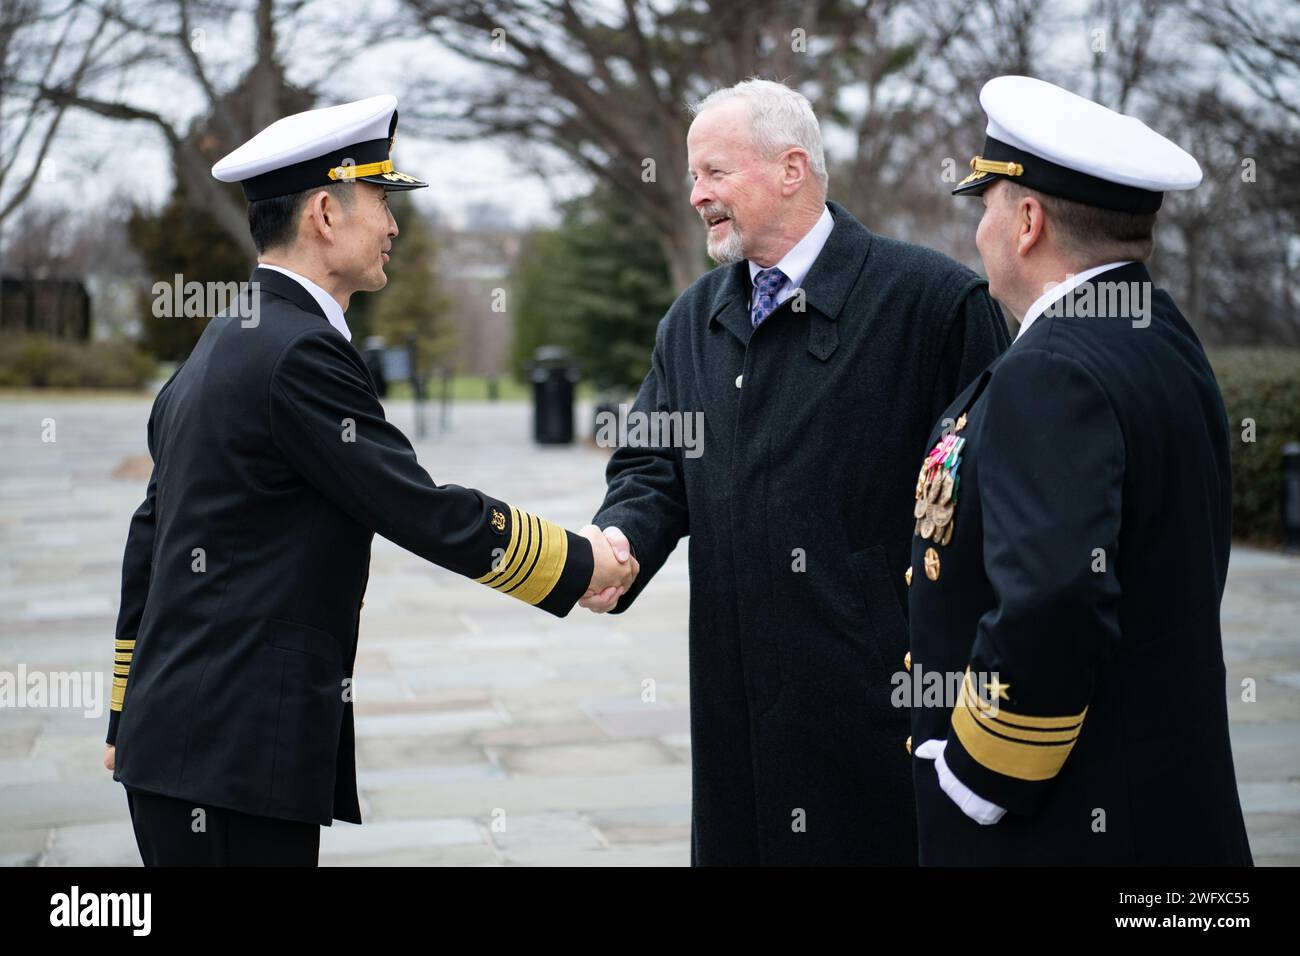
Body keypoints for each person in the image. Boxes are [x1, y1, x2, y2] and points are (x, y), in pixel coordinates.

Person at [104, 94, 636, 866]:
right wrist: (577, 561)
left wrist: (126, 715)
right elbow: (415, 506)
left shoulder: (225, 340)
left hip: (183, 744)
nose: (392, 225)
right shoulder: (299, 353)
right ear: (325, 212)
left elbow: (147, 541)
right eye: (382, 202)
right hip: (231, 757)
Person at [583, 79, 1010, 864]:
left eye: (714, 173)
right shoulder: (691, 319)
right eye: (691, 176)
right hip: (736, 720)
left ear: (791, 169)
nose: (695, 195)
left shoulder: (936, 304)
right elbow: (653, 467)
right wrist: (617, 542)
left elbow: (991, 518)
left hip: (882, 720)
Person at [906, 75, 1252, 865]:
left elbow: (1056, 597)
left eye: (985, 206)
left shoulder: (1051, 370)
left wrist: (977, 775)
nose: (979, 231)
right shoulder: (1161, 335)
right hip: (1166, 816)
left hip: (1066, 828)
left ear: (1028, 221)